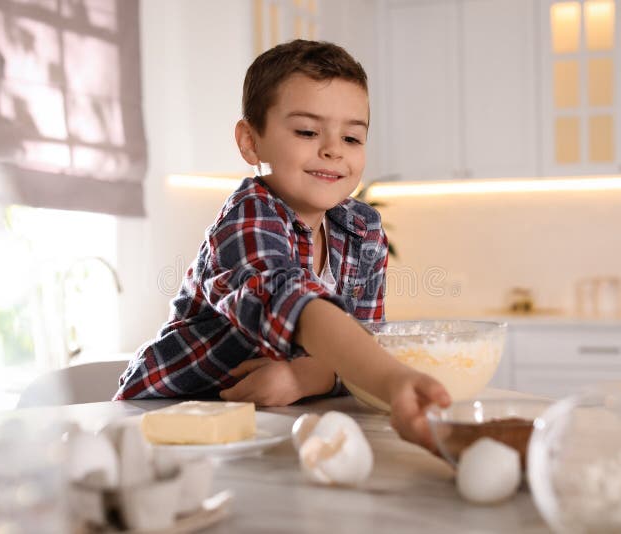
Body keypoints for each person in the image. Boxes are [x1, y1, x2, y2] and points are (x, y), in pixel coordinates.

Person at [114, 39, 449, 452]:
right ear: (251, 141)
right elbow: (288, 299)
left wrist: (312, 376)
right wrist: (391, 378)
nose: (331, 150)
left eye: (352, 138)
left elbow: (363, 342)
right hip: (160, 424)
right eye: (307, 131)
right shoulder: (247, 218)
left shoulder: (363, 230)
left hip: (270, 427)